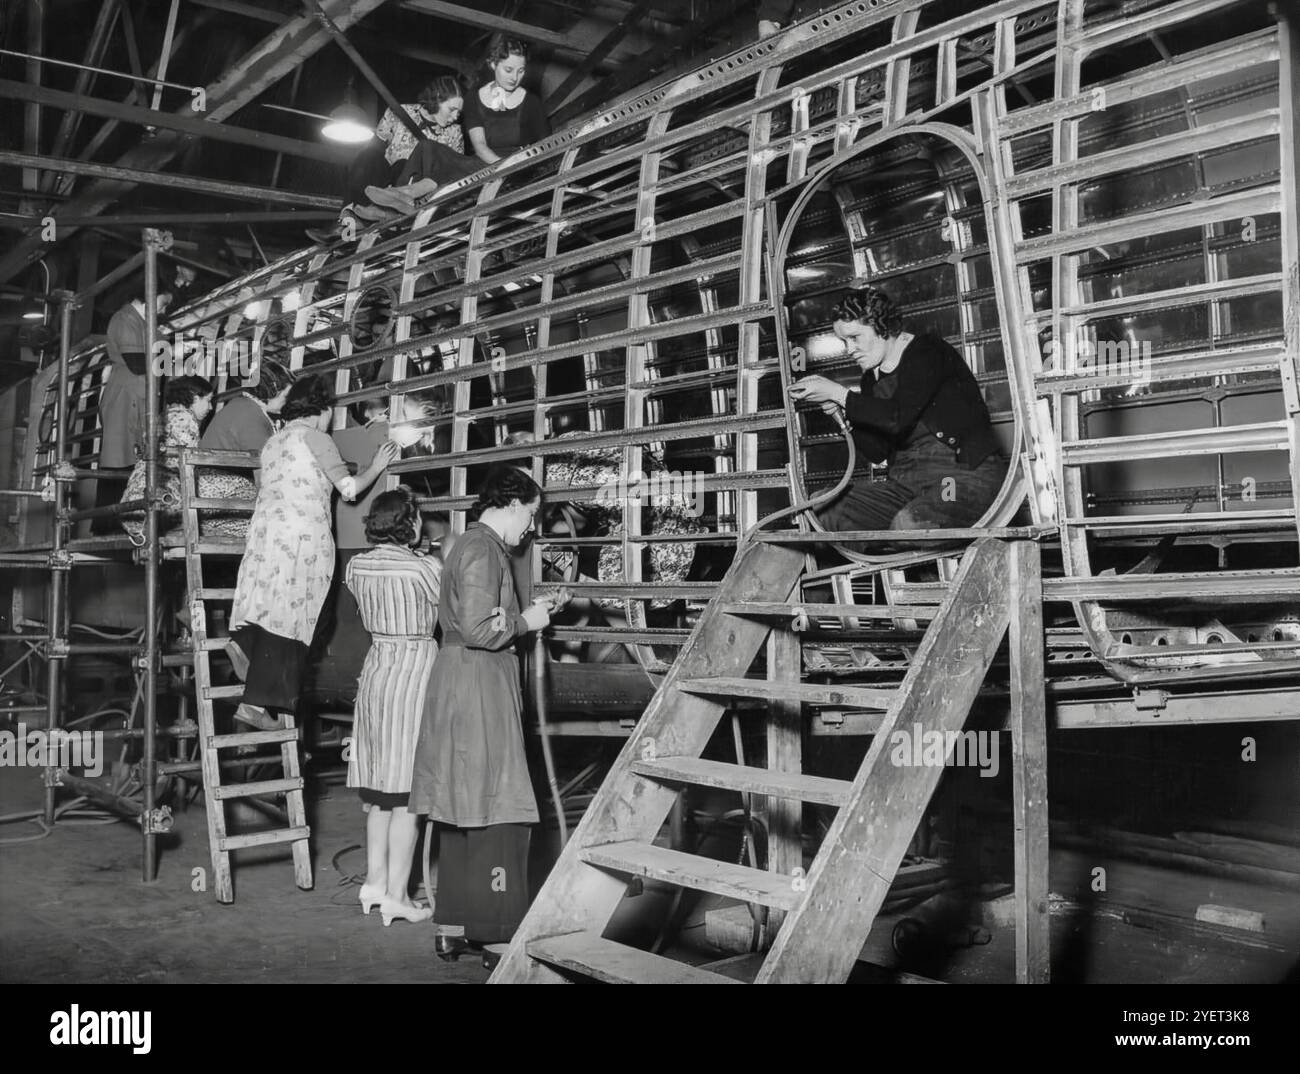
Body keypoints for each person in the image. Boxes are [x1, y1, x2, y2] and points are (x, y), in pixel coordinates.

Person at [409, 465, 566, 967]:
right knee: (501, 809)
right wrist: (527, 621)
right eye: (532, 515)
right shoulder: (483, 549)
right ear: (513, 504)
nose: (533, 527)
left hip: (462, 679)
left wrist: (518, 618)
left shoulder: (469, 545)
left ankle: (454, 925)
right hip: (478, 683)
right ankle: (496, 934)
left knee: (461, 807)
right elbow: (480, 629)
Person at [226, 377, 398, 731]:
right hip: (302, 538)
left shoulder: (273, 442)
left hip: (265, 535)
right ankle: (255, 704)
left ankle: (243, 644)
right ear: (322, 410)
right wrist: (377, 465)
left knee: (270, 608)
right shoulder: (317, 437)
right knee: (302, 618)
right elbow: (348, 489)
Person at [790, 285, 1008, 534]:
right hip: (907, 485)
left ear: (881, 326)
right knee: (823, 510)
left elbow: (897, 417)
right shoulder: (870, 379)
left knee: (910, 524)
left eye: (854, 337)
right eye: (844, 341)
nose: (849, 350)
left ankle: (901, 548)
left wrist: (840, 394)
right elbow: (877, 451)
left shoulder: (927, 350)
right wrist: (841, 413)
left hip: (962, 479)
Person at [346, 486, 442, 927]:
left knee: (379, 794)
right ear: (411, 523)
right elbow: (451, 609)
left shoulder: (357, 566)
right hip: (413, 668)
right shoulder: (424, 568)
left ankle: (374, 884)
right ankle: (399, 898)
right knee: (406, 795)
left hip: (376, 668)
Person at [93, 284, 173, 533]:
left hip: (142, 400)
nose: (164, 310)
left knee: (136, 465)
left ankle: (129, 525)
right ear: (150, 296)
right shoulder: (124, 319)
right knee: (117, 463)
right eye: (163, 304)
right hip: (125, 398)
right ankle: (107, 527)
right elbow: (137, 363)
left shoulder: (148, 326)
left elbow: (161, 365)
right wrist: (170, 350)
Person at [195, 358, 295, 537]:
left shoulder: (241, 405)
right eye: (286, 396)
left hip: (207, 497)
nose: (288, 402)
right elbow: (266, 475)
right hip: (220, 499)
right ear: (273, 389)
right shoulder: (252, 415)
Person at [118, 375, 213, 543]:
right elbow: (190, 465)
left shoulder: (161, 417)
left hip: (132, 504)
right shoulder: (186, 419)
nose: (211, 407)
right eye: (208, 400)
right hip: (159, 504)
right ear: (194, 397)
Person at [366, 76, 477, 214]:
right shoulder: (399, 113)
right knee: (368, 157)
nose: (455, 117)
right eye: (451, 109)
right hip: (387, 177)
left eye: (458, 112)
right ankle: (356, 210)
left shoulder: (454, 132)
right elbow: (374, 150)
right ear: (438, 98)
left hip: (423, 188)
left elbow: (452, 174)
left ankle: (403, 201)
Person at [462, 35, 551, 166]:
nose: (514, 78)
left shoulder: (532, 102)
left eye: (521, 71)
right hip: (485, 164)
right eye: (508, 70)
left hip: (522, 164)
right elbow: (479, 146)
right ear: (493, 64)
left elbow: (545, 144)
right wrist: (504, 166)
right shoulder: (473, 98)